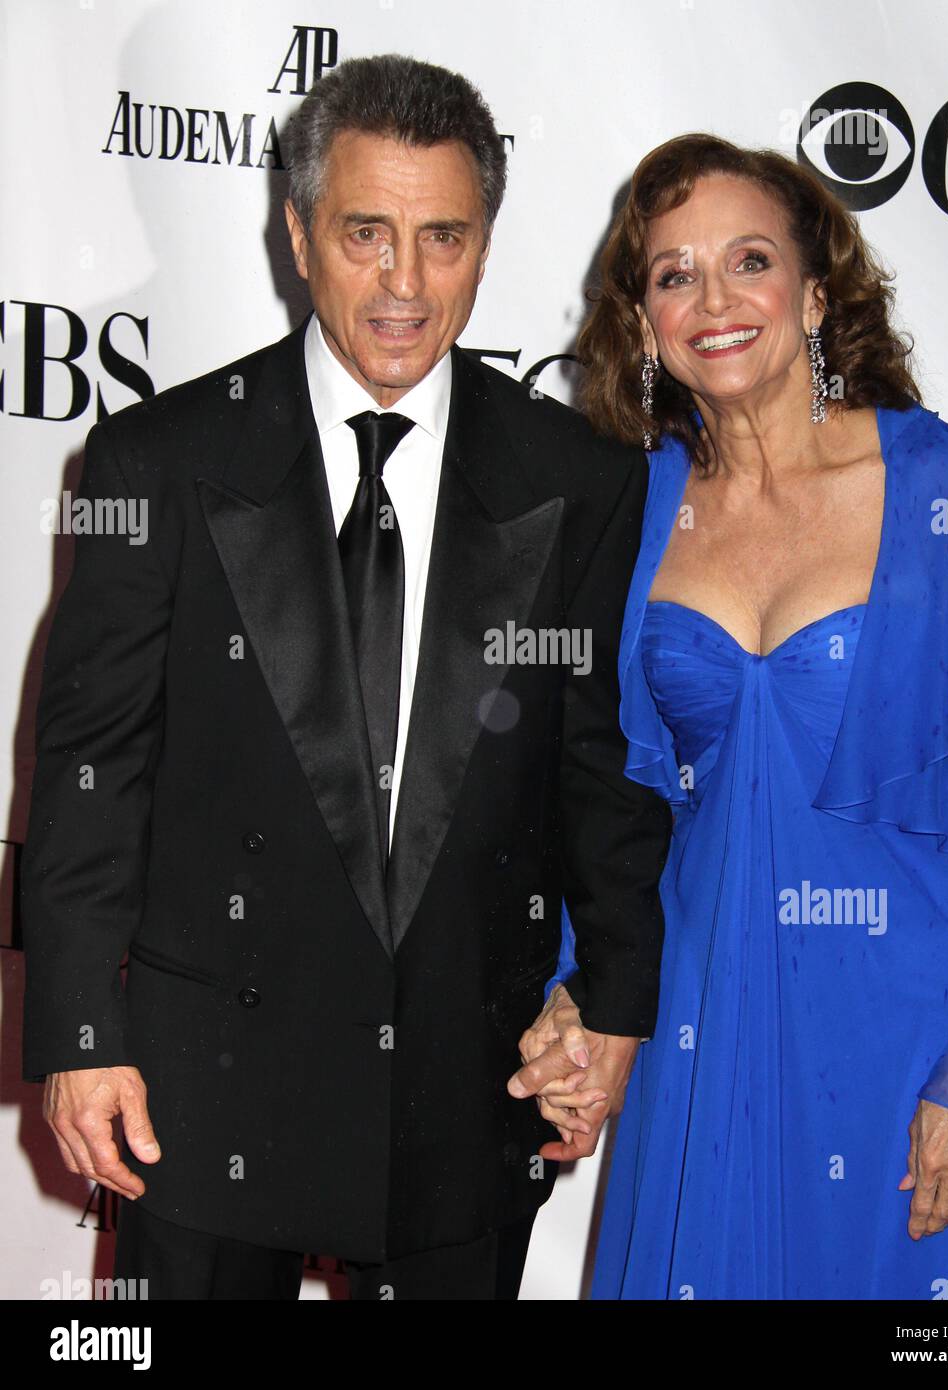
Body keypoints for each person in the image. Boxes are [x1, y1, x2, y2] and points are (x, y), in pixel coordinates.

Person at [19, 53, 670, 1301]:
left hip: (462, 1078)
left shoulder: (577, 474)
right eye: (367, 233)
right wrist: (82, 1038)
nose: (404, 284)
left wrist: (612, 997)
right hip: (200, 1087)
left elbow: (599, 765)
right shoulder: (158, 460)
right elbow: (92, 773)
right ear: (299, 230)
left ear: (485, 244)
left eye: (443, 237)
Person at [545, 132, 948, 1299]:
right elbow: (609, 794)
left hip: (909, 1030)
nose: (713, 300)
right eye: (672, 274)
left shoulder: (934, 481)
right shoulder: (631, 508)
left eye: (748, 261)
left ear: (817, 292)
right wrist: (575, 985)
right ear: (640, 321)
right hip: (708, 1009)